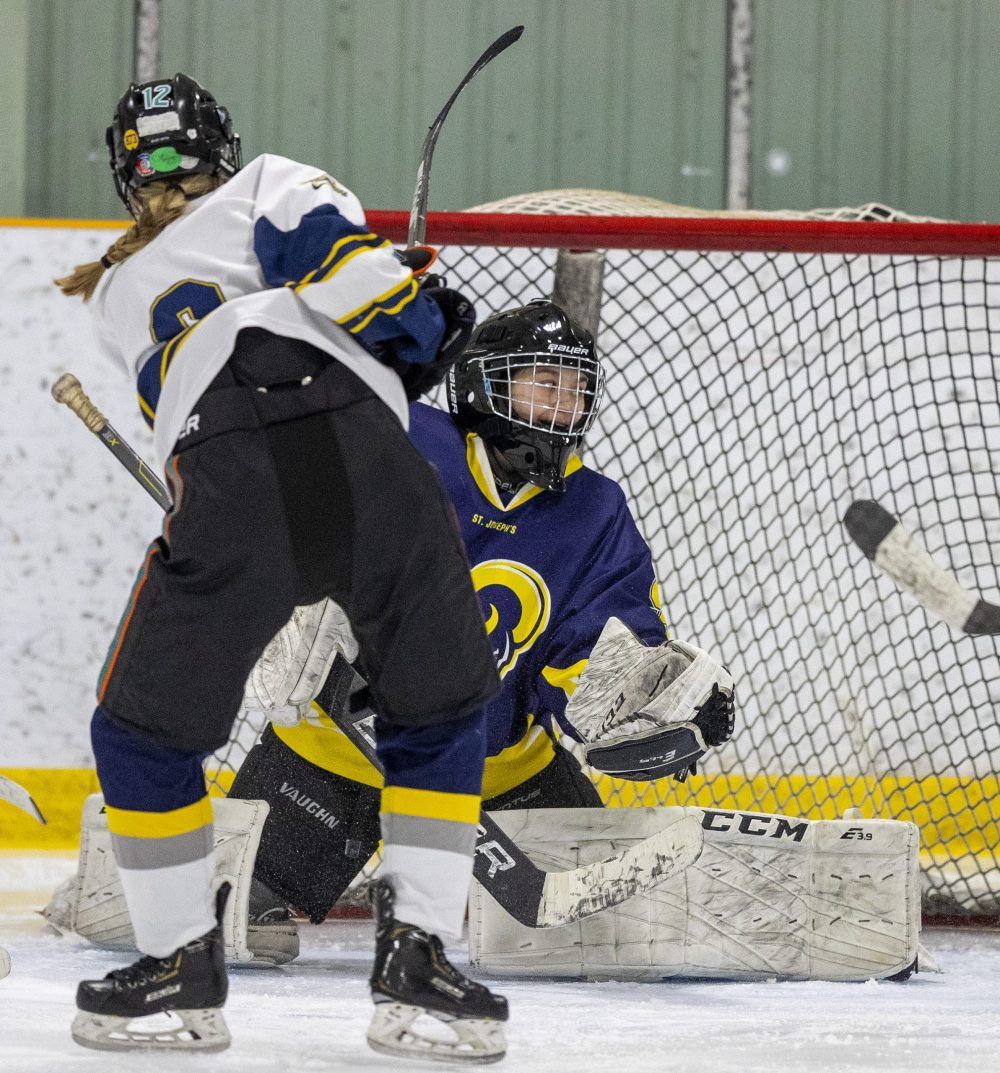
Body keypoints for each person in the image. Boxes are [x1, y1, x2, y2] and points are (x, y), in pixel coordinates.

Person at [55, 72, 508, 1061]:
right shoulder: (271, 179)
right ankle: (420, 962)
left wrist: (393, 328)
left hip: (226, 473)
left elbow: (203, 382)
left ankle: (179, 965)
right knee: (436, 710)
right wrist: (421, 328)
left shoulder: (117, 294)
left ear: (128, 176)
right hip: (366, 459)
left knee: (139, 731)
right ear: (221, 144)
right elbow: (355, 289)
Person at [228, 298, 736, 958]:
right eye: (542, 381)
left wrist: (646, 704)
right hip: (334, 753)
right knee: (222, 917)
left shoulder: (594, 510)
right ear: (482, 383)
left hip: (499, 772)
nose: (561, 401)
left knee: (602, 936)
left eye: (574, 387)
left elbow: (593, 656)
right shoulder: (406, 437)